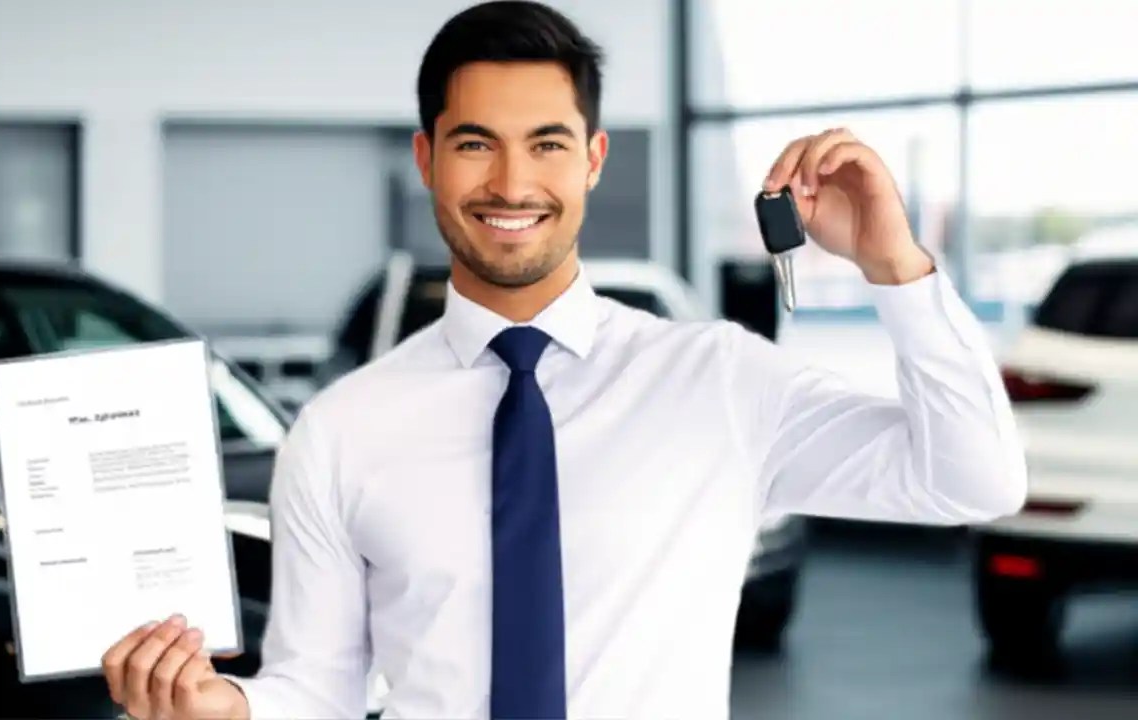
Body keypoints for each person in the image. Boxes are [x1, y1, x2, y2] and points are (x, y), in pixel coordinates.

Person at [100, 1, 1027, 718]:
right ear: (427, 159)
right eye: (475, 145)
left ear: (592, 160)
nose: (511, 183)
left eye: (546, 144)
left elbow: (973, 482)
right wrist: (231, 706)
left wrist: (895, 268)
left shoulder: (720, 381)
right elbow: (321, 690)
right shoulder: (343, 429)